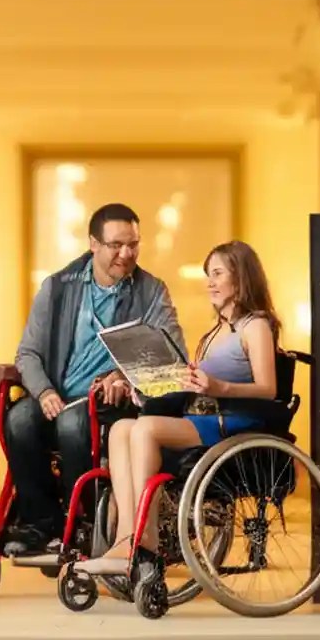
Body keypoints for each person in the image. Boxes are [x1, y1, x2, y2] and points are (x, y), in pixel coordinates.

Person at [74, 240, 281, 574]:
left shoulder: (255, 326)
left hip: (232, 422)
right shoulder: (215, 333)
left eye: (217, 274)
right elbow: (192, 385)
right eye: (207, 275)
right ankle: (126, 536)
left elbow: (268, 388)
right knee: (121, 428)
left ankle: (147, 540)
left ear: (241, 278)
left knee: (145, 428)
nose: (209, 282)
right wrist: (146, 381)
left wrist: (218, 386)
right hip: (200, 417)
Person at [2, 203, 186, 557]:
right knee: (19, 419)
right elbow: (28, 354)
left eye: (133, 244)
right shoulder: (58, 288)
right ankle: (41, 523)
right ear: (93, 244)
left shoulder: (152, 292)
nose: (126, 253)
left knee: (73, 425)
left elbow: (171, 354)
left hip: (109, 403)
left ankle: (81, 523)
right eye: (116, 245)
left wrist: (125, 376)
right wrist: (43, 392)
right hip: (57, 393)